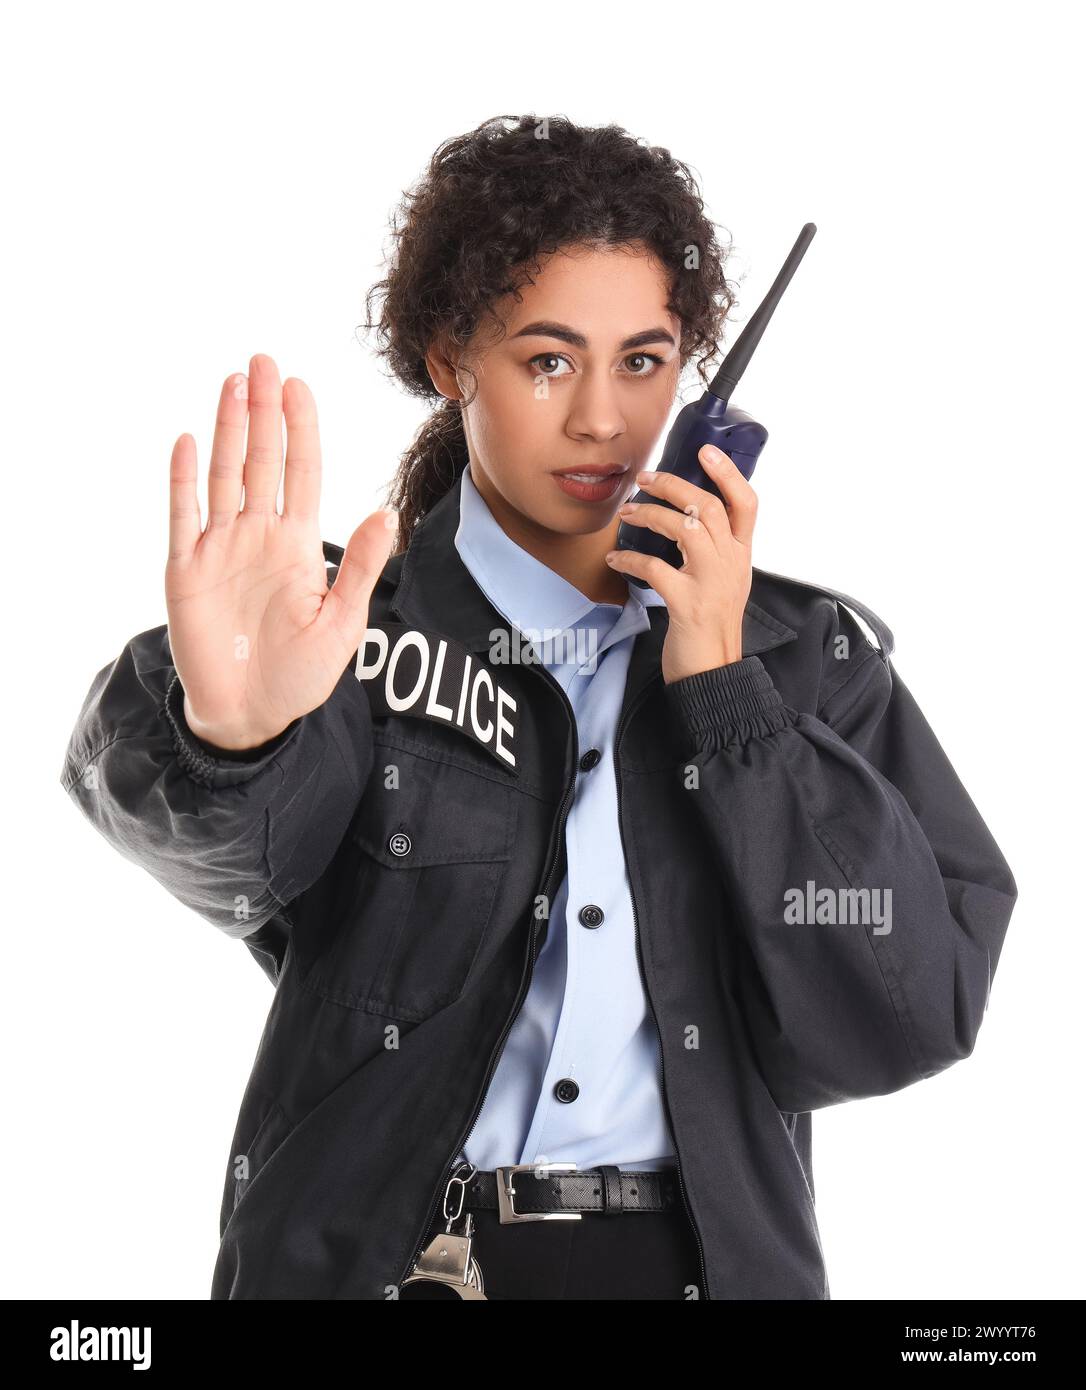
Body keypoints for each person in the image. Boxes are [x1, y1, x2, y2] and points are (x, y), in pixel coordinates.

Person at [59, 114, 1017, 1301]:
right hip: (396, 1269)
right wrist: (234, 740)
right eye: (549, 360)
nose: (604, 420)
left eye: (645, 360)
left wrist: (729, 698)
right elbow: (236, 857)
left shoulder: (806, 663)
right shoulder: (350, 635)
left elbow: (906, 1009)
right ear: (451, 357)